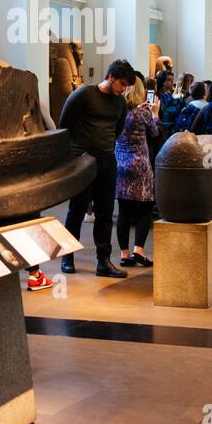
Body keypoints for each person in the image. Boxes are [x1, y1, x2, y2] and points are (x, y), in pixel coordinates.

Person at [57, 59, 135, 278]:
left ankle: (104, 261)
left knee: (105, 213)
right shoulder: (84, 95)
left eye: (126, 86)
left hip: (107, 161)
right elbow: (64, 125)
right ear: (110, 77)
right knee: (77, 210)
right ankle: (67, 255)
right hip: (83, 161)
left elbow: (117, 129)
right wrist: (75, 155)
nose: (123, 90)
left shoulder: (119, 103)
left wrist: (105, 149)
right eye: (121, 84)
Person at [115, 73, 159, 268]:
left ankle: (124, 255)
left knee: (124, 211)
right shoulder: (142, 113)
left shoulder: (118, 110)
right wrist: (155, 114)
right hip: (140, 164)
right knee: (145, 208)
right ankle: (138, 251)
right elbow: (156, 133)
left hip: (120, 163)